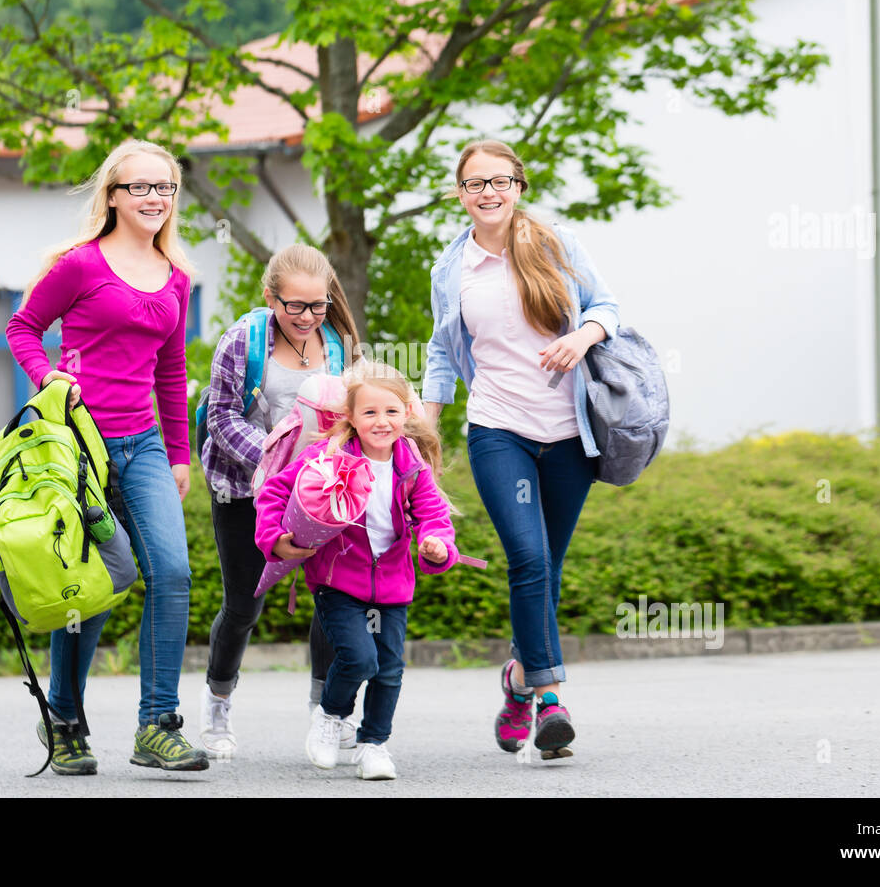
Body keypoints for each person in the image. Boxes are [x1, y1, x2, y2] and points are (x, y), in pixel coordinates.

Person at [6, 138, 207, 774]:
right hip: (76, 448)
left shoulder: (177, 277)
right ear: (114, 197)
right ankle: (64, 719)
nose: (155, 198)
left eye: (165, 187)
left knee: (171, 573)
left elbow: (171, 373)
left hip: (143, 444)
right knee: (86, 585)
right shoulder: (80, 266)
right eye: (141, 187)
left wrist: (180, 454)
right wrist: (49, 380)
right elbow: (22, 328)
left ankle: (157, 724)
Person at [421, 139, 620, 760]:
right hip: (497, 429)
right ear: (460, 193)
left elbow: (607, 306)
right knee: (529, 559)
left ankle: (516, 680)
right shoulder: (450, 269)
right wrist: (426, 429)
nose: (488, 193)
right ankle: (552, 698)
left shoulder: (555, 244)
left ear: (518, 186)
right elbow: (439, 350)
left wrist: (583, 337)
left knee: (548, 571)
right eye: (475, 184)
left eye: (499, 181)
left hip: (569, 435)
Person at [254, 362, 459, 780]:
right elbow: (276, 488)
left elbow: (435, 516)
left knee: (389, 668)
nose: (381, 421)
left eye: (390, 411)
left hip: (393, 586)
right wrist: (272, 537)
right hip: (337, 582)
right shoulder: (327, 456)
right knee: (359, 658)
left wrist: (438, 545)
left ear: (406, 413)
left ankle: (373, 744)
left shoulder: (413, 467)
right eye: (369, 413)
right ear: (350, 417)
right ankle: (331, 716)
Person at [199, 244, 362, 758]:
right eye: (295, 306)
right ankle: (218, 706)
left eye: (318, 306)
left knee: (332, 601)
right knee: (244, 606)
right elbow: (222, 418)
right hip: (247, 488)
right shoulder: (240, 342)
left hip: (319, 494)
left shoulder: (338, 344)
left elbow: (351, 414)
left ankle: (325, 714)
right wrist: (277, 467)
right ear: (271, 297)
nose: (308, 317)